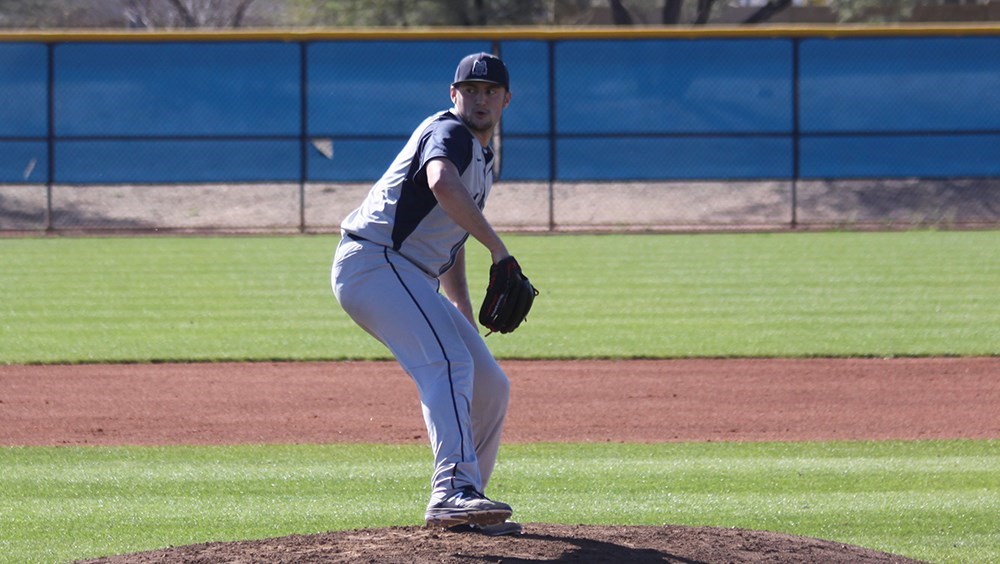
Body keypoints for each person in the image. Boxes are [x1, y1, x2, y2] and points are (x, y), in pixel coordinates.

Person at [331, 52, 523, 537]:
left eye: (490, 91)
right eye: (470, 90)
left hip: (406, 275)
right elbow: (440, 183)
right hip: (375, 262)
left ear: (506, 99)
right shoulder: (451, 133)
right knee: (449, 362)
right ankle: (451, 490)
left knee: (489, 382)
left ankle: (469, 503)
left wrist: (460, 306)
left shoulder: (482, 158)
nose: (480, 99)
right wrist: (499, 250)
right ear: (453, 94)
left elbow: (450, 228)